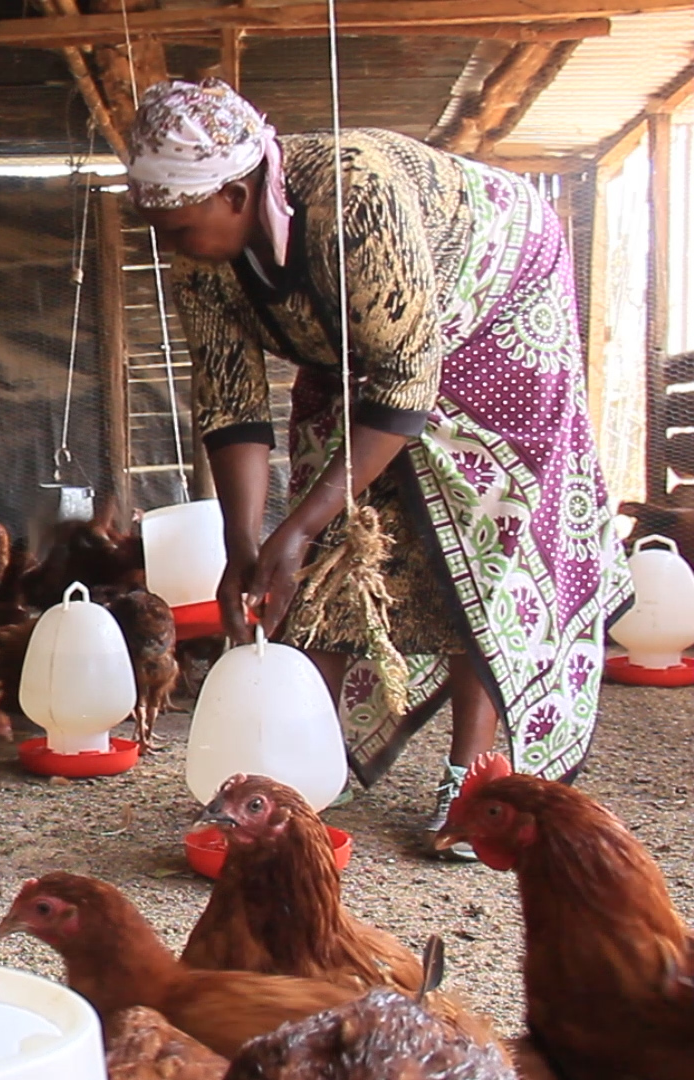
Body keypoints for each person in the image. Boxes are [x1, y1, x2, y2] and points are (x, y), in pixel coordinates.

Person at [125, 79, 631, 856]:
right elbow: (232, 404)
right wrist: (247, 544)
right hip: (363, 339)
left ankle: (471, 781)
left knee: (477, 532)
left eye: (181, 228)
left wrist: (293, 529)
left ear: (232, 192)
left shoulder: (354, 198)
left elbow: (401, 386)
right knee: (326, 552)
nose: (171, 245)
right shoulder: (205, 261)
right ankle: (284, 783)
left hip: (496, 304)